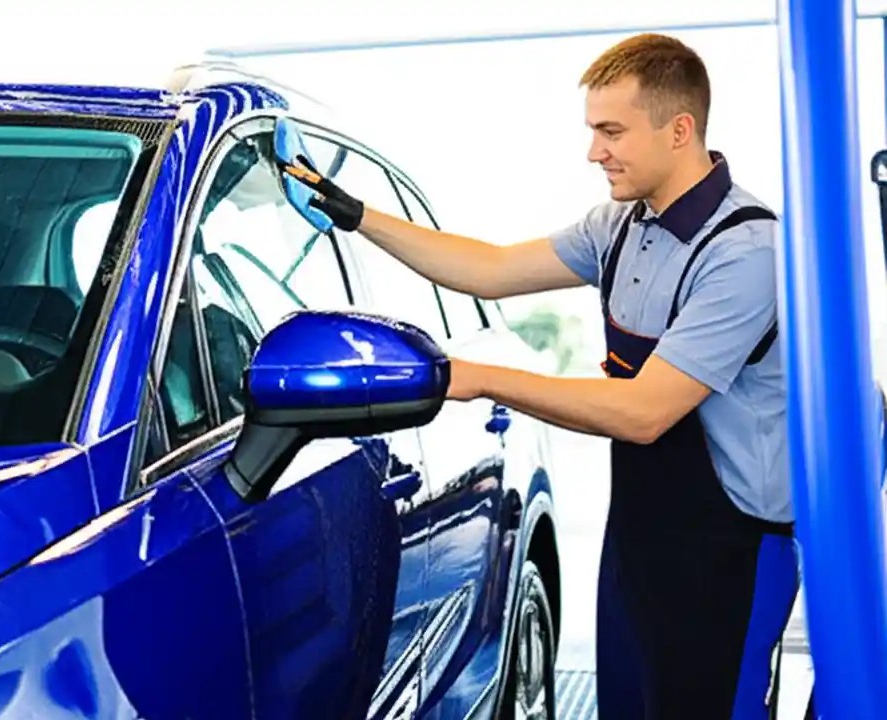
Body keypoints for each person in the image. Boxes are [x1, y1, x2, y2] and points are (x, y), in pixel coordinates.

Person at [282, 32, 799, 719]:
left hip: (731, 554)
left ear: (680, 131)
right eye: (593, 131)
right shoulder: (618, 225)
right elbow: (490, 270)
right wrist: (355, 216)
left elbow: (646, 412)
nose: (594, 151)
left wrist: (486, 378)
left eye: (611, 131)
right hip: (641, 537)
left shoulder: (746, 253)